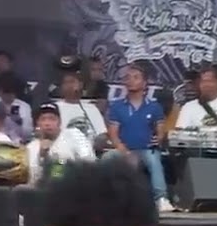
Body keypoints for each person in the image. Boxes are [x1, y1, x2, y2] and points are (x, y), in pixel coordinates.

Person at [105, 65, 172, 213]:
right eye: (127, 77)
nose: (130, 80)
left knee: (154, 158)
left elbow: (160, 129)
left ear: (144, 83)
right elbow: (113, 133)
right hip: (125, 149)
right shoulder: (117, 106)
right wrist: (123, 150)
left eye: (136, 77)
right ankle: (103, 199)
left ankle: (161, 198)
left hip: (146, 149)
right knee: (106, 158)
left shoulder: (154, 107)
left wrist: (159, 138)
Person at [27, 103, 94, 185]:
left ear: (59, 122)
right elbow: (33, 178)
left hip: (76, 183)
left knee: (60, 162)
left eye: (52, 119)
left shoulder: (73, 134)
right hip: (46, 191)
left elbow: (88, 160)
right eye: (43, 119)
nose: (47, 123)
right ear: (37, 124)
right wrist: (42, 156)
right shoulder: (31, 147)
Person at [174, 66, 217, 130]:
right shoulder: (189, 107)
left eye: (210, 81)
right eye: (203, 82)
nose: (206, 85)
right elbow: (179, 133)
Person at [52, 69, 107, 148]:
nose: (69, 85)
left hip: (88, 155)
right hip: (62, 156)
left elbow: (102, 134)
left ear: (80, 85)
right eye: (66, 83)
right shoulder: (54, 108)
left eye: (72, 82)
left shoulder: (91, 108)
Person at [0, 72, 33, 143]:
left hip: (16, 143)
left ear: (15, 93)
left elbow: (28, 134)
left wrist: (18, 121)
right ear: (0, 91)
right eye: (5, 93)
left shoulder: (24, 107)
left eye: (10, 93)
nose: (7, 96)